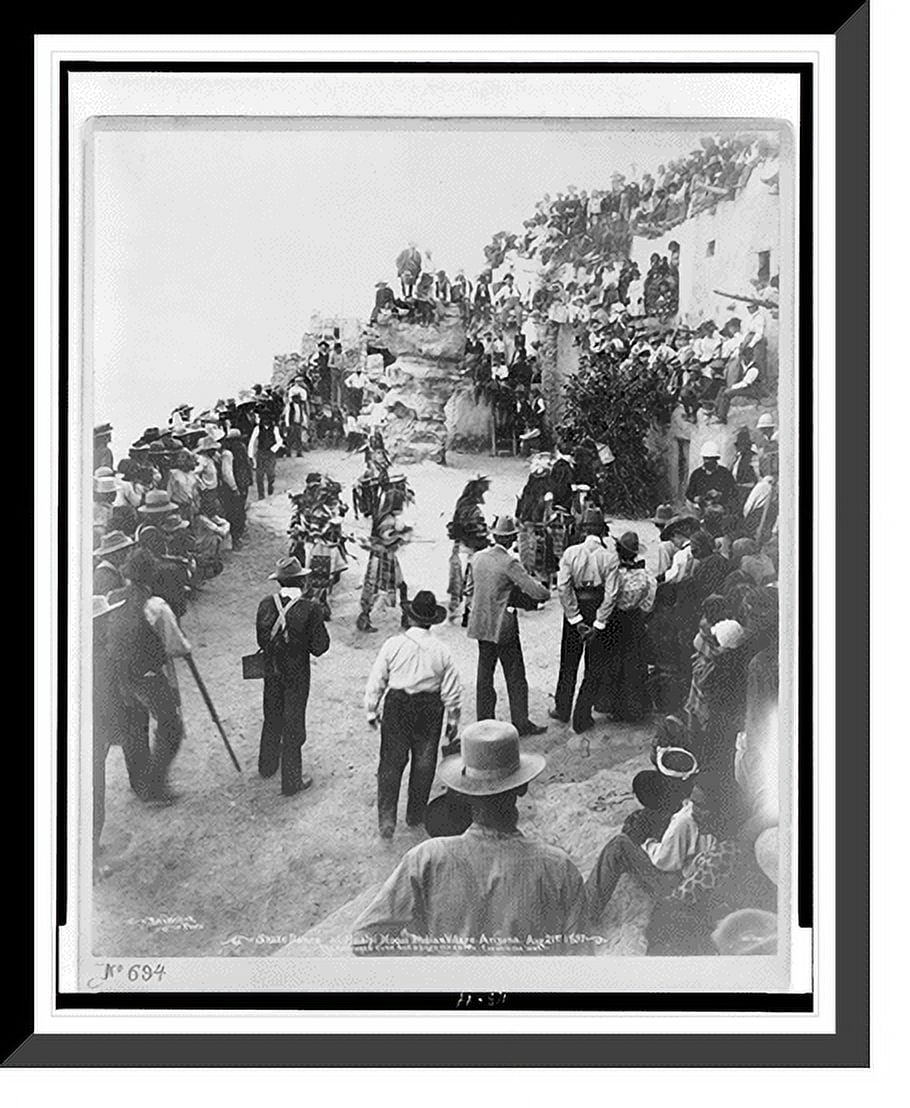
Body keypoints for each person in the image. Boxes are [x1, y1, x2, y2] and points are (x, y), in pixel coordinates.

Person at [352, 720, 587, 955]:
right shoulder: (558, 869)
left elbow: (365, 940)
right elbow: (581, 967)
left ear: (462, 791)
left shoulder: (426, 860)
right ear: (522, 787)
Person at [364, 590, 462, 838]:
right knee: (424, 763)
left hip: (398, 705)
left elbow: (378, 679)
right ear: (431, 620)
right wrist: (452, 721)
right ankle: (415, 814)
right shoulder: (442, 650)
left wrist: (371, 710)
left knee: (390, 762)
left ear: (409, 617)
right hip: (429, 709)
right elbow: (452, 691)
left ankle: (387, 819)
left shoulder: (393, 645)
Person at [107, 549, 192, 803]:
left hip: (120, 673)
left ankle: (139, 782)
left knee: (135, 726)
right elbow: (176, 646)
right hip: (148, 674)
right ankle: (155, 786)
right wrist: (185, 649)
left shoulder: (113, 598)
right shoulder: (154, 605)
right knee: (170, 726)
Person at [466, 514, 550, 737]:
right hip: (503, 626)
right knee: (515, 676)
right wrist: (545, 592)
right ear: (512, 538)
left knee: (485, 675)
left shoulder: (477, 558)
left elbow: (468, 590)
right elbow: (534, 590)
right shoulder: (509, 562)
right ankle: (520, 722)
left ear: (495, 536)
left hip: (481, 623)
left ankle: (484, 723)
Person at [256, 557, 330, 796]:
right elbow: (320, 647)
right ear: (302, 580)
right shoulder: (311, 608)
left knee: (271, 715)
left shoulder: (266, 604)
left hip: (272, 669)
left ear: (279, 582)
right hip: (297, 672)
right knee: (293, 723)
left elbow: (261, 639)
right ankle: (291, 781)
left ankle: (267, 766)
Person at [551, 506, 620, 733]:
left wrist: (575, 617)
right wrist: (599, 623)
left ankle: (562, 709)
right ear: (602, 532)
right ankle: (582, 716)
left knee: (568, 662)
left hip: (576, 609)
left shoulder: (570, 553)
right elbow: (612, 594)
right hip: (598, 606)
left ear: (583, 530)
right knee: (594, 665)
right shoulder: (610, 557)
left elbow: (563, 587)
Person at [596, 531, 657, 723]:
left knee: (615, 662)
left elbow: (608, 597)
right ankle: (636, 707)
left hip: (616, 620)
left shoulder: (614, 573)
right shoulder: (646, 574)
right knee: (635, 662)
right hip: (636, 620)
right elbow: (650, 602)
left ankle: (614, 706)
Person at [92, 593, 127, 865]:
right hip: (92, 734)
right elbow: (107, 701)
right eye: (104, 619)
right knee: (94, 791)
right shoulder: (101, 658)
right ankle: (90, 850)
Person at [446, 475, 491, 619]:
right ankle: (468, 613)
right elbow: (478, 531)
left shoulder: (461, 504)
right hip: (472, 548)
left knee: (457, 580)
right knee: (472, 582)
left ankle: (455, 607)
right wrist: (487, 535)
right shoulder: (474, 511)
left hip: (458, 547)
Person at [685, 441, 737, 512]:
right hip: (700, 507)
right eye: (706, 458)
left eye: (710, 458)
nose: (707, 461)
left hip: (717, 508)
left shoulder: (725, 473)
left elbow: (733, 492)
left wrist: (720, 495)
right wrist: (695, 498)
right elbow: (689, 493)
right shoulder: (697, 474)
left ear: (716, 458)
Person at [714, 348, 762, 424]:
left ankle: (723, 417)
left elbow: (746, 383)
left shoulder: (754, 368)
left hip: (753, 389)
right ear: (743, 356)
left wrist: (732, 387)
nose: (750, 357)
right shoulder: (743, 364)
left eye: (751, 354)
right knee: (722, 389)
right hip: (746, 387)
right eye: (748, 355)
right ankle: (716, 410)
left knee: (727, 394)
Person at [249, 409, 283, 499]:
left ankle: (270, 488)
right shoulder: (257, 428)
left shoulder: (275, 429)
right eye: (264, 419)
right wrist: (251, 456)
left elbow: (280, 440)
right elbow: (252, 442)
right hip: (261, 453)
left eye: (267, 419)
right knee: (259, 475)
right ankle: (261, 494)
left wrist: (274, 448)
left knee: (271, 473)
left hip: (270, 453)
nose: (265, 421)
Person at [92, 530, 136, 596]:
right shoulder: (104, 574)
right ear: (114, 554)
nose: (128, 554)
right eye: (125, 551)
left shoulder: (115, 570)